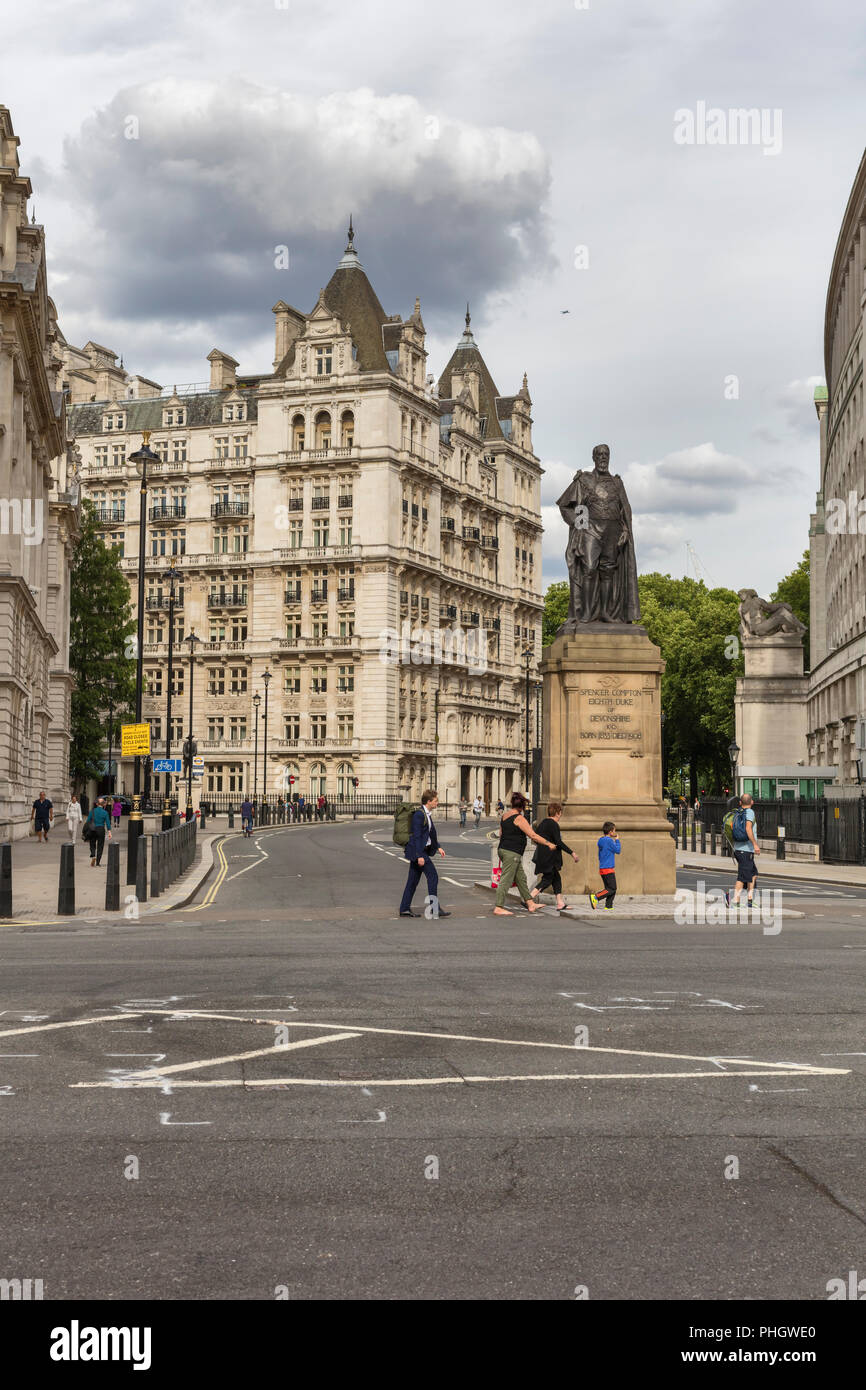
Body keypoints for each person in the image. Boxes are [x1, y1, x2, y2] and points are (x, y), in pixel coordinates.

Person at [494, 792, 555, 916]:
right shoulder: (519, 818)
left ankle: (530, 903)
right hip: (512, 852)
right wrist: (548, 843)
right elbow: (532, 835)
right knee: (506, 879)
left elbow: (500, 834)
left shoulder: (505, 816)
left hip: (503, 849)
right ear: (521, 807)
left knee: (521, 878)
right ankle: (498, 906)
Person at [398, 789, 450, 919]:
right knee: (433, 876)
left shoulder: (427, 814)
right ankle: (434, 907)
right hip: (418, 852)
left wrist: (438, 847)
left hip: (422, 851)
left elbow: (430, 833)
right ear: (429, 801)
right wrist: (419, 855)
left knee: (412, 881)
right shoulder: (419, 815)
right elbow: (416, 836)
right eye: (436, 801)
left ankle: (404, 908)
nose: (437, 803)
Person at [529, 801, 578, 911]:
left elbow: (537, 839)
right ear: (557, 813)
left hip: (544, 856)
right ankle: (529, 898)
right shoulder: (553, 824)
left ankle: (560, 903)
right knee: (547, 879)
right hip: (549, 858)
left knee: (556, 879)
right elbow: (558, 842)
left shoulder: (543, 823)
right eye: (560, 812)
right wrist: (572, 853)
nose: (560, 815)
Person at [724, 793, 760, 908]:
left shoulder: (737, 812)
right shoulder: (750, 812)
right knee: (742, 877)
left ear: (740, 803)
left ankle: (749, 900)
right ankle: (733, 899)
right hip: (746, 850)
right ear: (752, 802)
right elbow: (748, 829)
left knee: (753, 874)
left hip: (739, 849)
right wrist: (755, 844)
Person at [589, 821, 620, 911]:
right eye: (614, 831)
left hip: (603, 868)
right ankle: (596, 897)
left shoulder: (601, 840)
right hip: (608, 868)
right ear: (610, 832)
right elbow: (618, 850)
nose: (615, 833)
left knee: (609, 888)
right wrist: (617, 840)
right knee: (612, 888)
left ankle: (609, 906)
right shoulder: (609, 841)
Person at [86, 797, 112, 867]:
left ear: (97, 804)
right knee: (100, 845)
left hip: (93, 829)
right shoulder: (105, 812)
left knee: (92, 843)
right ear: (103, 804)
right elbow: (108, 823)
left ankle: (93, 855)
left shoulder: (93, 811)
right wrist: (109, 832)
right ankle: (98, 862)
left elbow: (88, 821)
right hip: (101, 829)